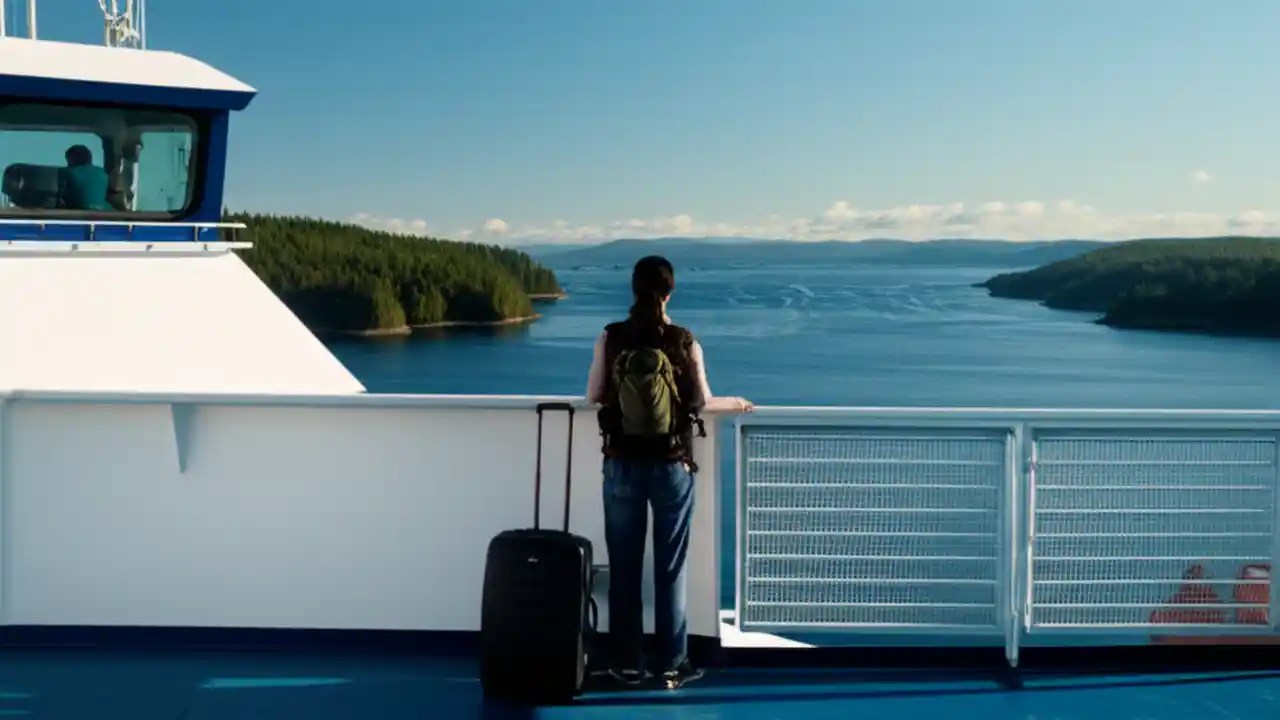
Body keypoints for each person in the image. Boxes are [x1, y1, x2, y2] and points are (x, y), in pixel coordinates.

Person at [585, 255, 752, 689]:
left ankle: (625, 664)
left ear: (633, 290)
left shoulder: (612, 337)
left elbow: (593, 395)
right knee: (670, 568)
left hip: (621, 464)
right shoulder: (683, 340)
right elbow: (699, 403)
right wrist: (734, 403)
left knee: (624, 568)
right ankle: (671, 666)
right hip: (672, 465)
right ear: (670, 292)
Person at [59, 144, 111, 211]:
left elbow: (64, 196)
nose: (68, 163)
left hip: (76, 213)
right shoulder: (102, 172)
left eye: (68, 160)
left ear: (73, 159)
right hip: (103, 212)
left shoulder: (69, 173)